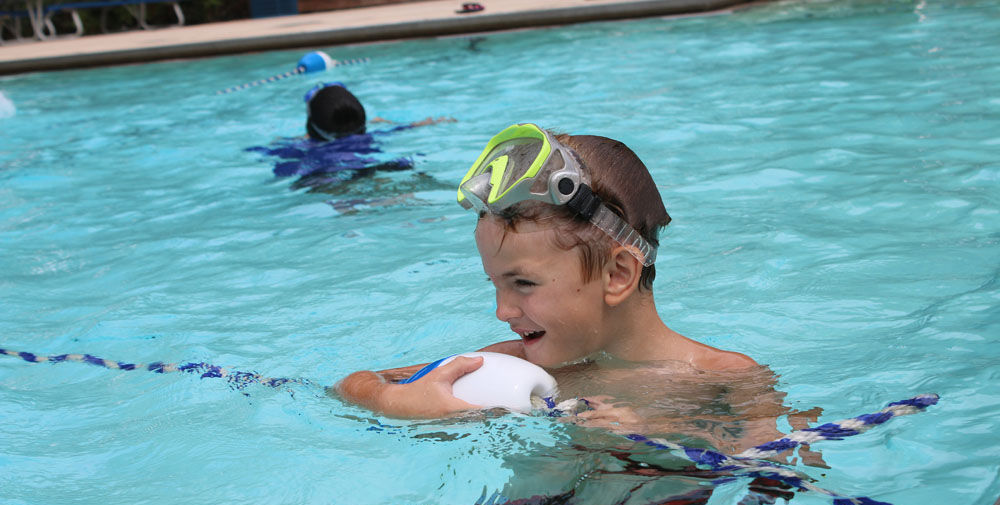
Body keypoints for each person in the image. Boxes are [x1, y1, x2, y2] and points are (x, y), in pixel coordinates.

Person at [335, 122, 818, 453]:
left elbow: (772, 469)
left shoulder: (728, 377)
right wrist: (395, 401)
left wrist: (665, 435)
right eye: (496, 284)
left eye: (522, 283)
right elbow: (352, 384)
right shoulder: (507, 361)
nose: (503, 311)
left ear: (617, 276)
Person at [246, 82, 454, 192]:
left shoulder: (299, 147)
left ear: (312, 127)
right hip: (383, 165)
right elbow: (405, 127)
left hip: (328, 176)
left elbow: (271, 158)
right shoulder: (373, 135)